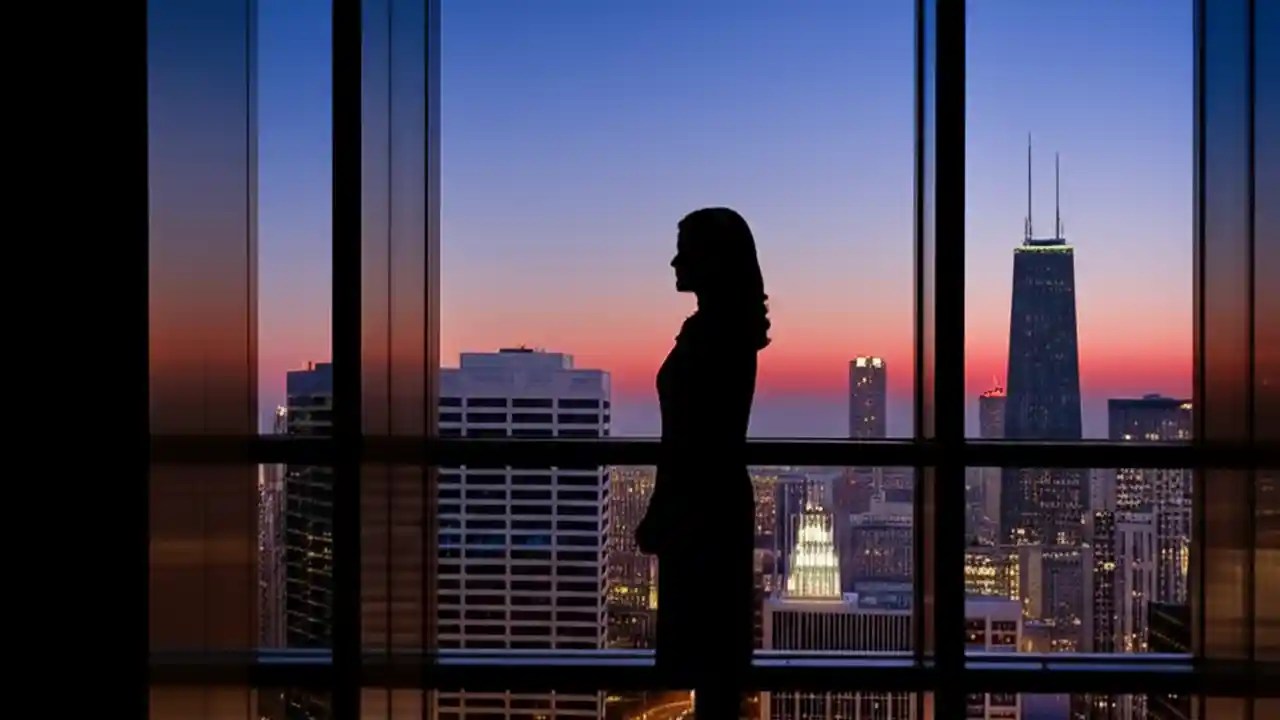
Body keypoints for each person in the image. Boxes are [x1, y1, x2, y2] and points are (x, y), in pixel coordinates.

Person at [636, 207, 770, 720]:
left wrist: (664, 510)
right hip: (708, 505)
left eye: (684, 251)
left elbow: (693, 438)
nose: (675, 262)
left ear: (713, 260)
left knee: (710, 661)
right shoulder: (721, 329)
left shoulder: (717, 333)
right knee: (713, 664)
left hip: (701, 509)